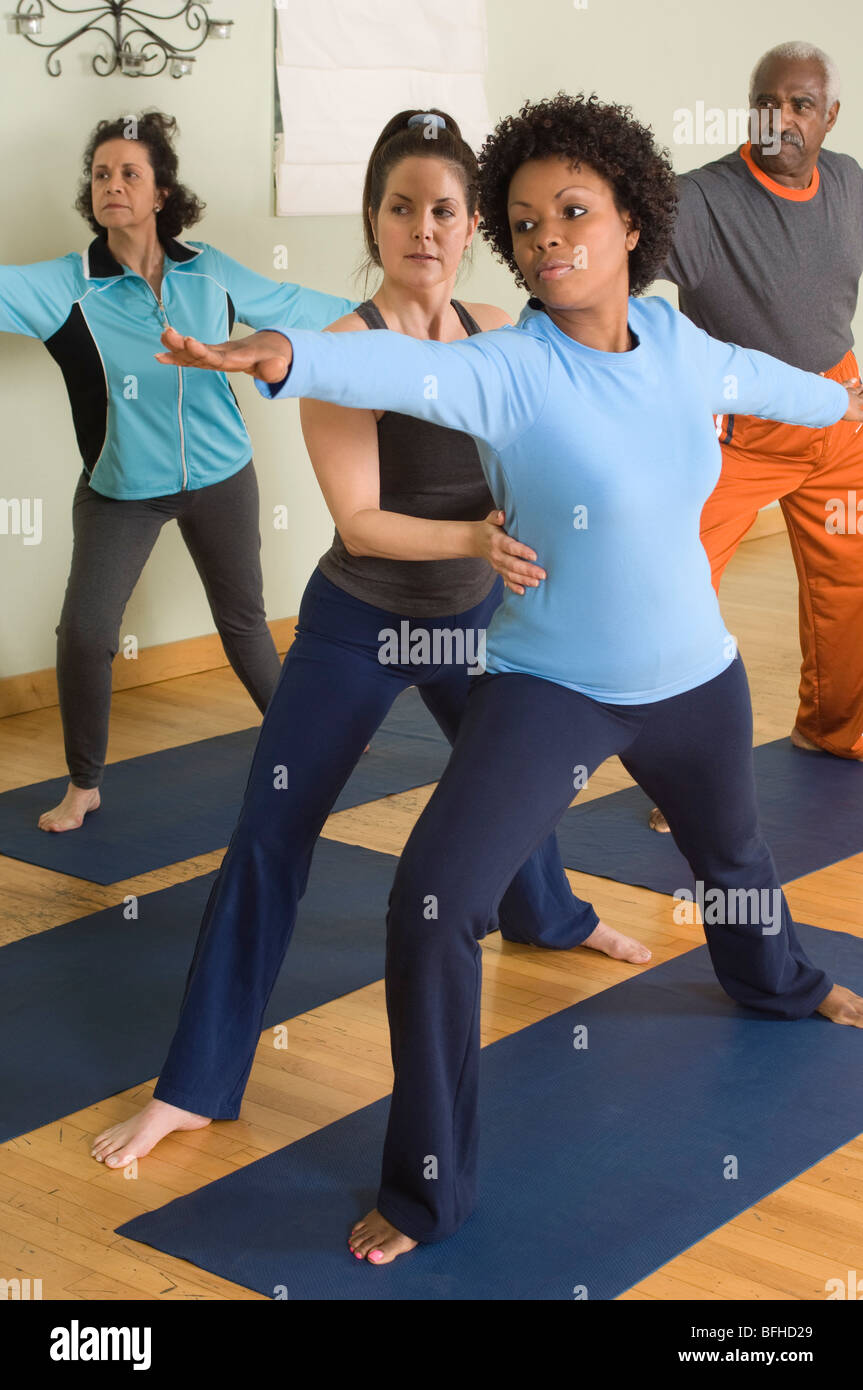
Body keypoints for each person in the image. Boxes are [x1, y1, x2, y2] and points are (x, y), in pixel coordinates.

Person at [150, 92, 863, 1266]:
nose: (547, 240)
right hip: (550, 686)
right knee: (429, 901)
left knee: (732, 860)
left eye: (572, 212)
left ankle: (779, 983)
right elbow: (374, 363)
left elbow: (792, 388)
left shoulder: (681, 347)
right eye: (524, 224)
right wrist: (278, 354)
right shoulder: (502, 367)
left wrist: (840, 398)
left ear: (632, 221)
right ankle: (428, 1185)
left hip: (693, 679)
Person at [90, 109, 648, 1174]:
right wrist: (485, 541)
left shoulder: (498, 326)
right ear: (374, 220)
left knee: (511, 778)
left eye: (443, 209)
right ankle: (195, 1085)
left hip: (468, 612)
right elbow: (362, 522)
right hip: (358, 622)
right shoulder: (342, 352)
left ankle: (552, 917)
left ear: (472, 222)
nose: (422, 228)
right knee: (269, 833)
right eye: (400, 208)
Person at [0, 110, 354, 831]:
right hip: (121, 491)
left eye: (130, 173)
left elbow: (299, 309)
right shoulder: (68, 287)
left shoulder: (210, 272)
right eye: (101, 174)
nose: (112, 185)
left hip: (223, 476)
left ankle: (303, 757)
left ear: (162, 192)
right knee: (86, 635)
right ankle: (83, 784)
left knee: (246, 626)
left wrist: (397, 322)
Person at [649, 40, 863, 831]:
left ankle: (836, 732)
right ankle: (684, 778)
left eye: (800, 105)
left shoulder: (846, 182)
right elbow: (609, 267)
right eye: (766, 103)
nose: (782, 120)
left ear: (829, 116)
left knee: (850, 585)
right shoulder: (698, 201)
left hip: (838, 416)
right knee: (678, 591)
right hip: (739, 431)